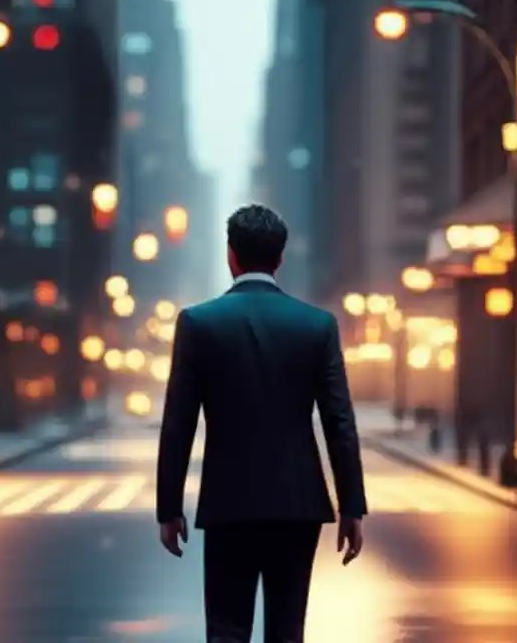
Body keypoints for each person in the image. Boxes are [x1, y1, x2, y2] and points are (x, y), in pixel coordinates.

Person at [156, 204, 368, 643]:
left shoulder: (198, 323)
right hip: (297, 504)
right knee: (287, 631)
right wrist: (351, 505)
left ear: (231, 255)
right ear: (280, 258)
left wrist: (169, 509)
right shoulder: (317, 325)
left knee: (227, 631)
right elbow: (339, 421)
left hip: (228, 504)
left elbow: (178, 422)